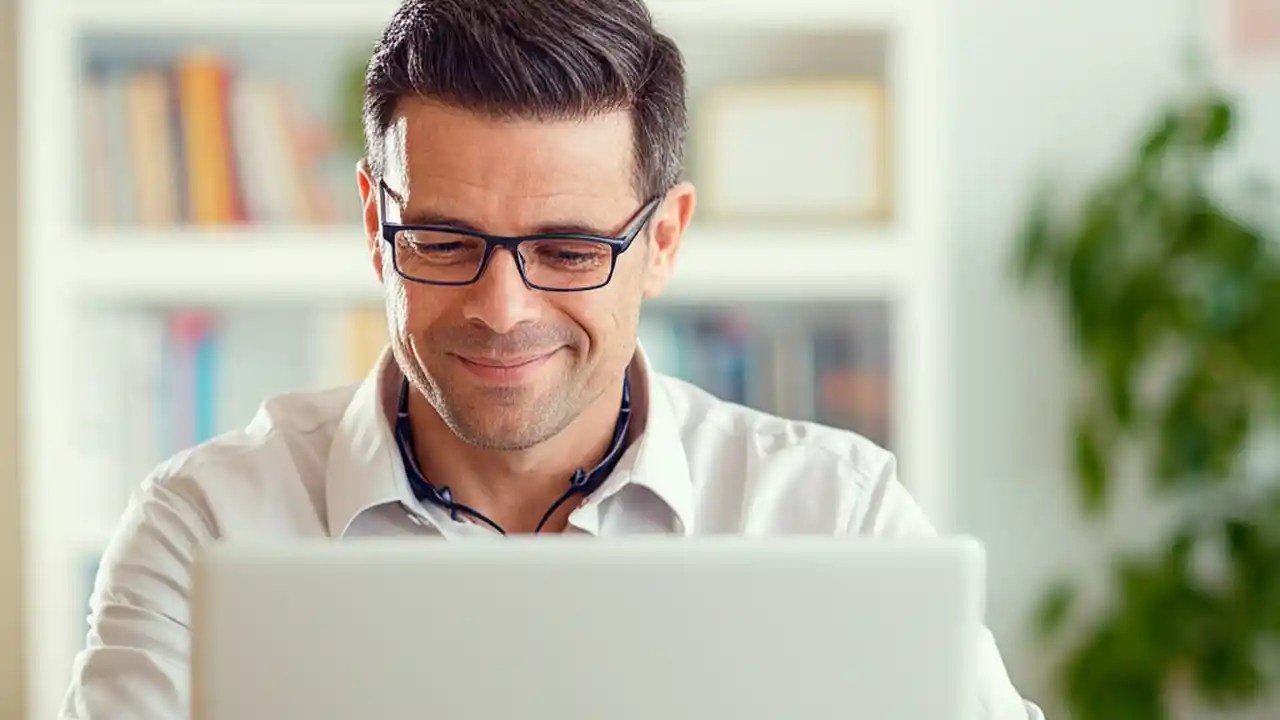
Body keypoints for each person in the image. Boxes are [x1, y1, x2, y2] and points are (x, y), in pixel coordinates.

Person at [61, 1, 1043, 717]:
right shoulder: (204, 528)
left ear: (663, 240)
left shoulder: (835, 518)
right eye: (444, 241)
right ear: (373, 225)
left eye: (568, 251)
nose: (501, 310)